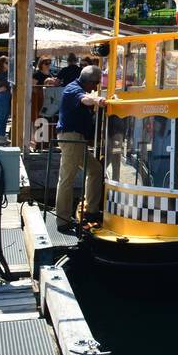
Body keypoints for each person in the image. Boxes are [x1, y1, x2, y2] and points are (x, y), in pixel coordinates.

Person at [55, 65, 106, 232]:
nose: (96, 87)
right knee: (67, 179)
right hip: (71, 139)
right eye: (96, 83)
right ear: (89, 82)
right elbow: (85, 99)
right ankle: (62, 221)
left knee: (95, 170)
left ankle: (91, 211)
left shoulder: (76, 87)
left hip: (77, 139)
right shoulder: (73, 89)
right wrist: (97, 100)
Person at [0, 56, 11, 140]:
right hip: (1, 96)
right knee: (1, 116)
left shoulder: (9, 73)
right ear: (1, 63)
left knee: (5, 116)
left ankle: (2, 135)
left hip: (7, 95)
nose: (8, 65)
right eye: (6, 63)